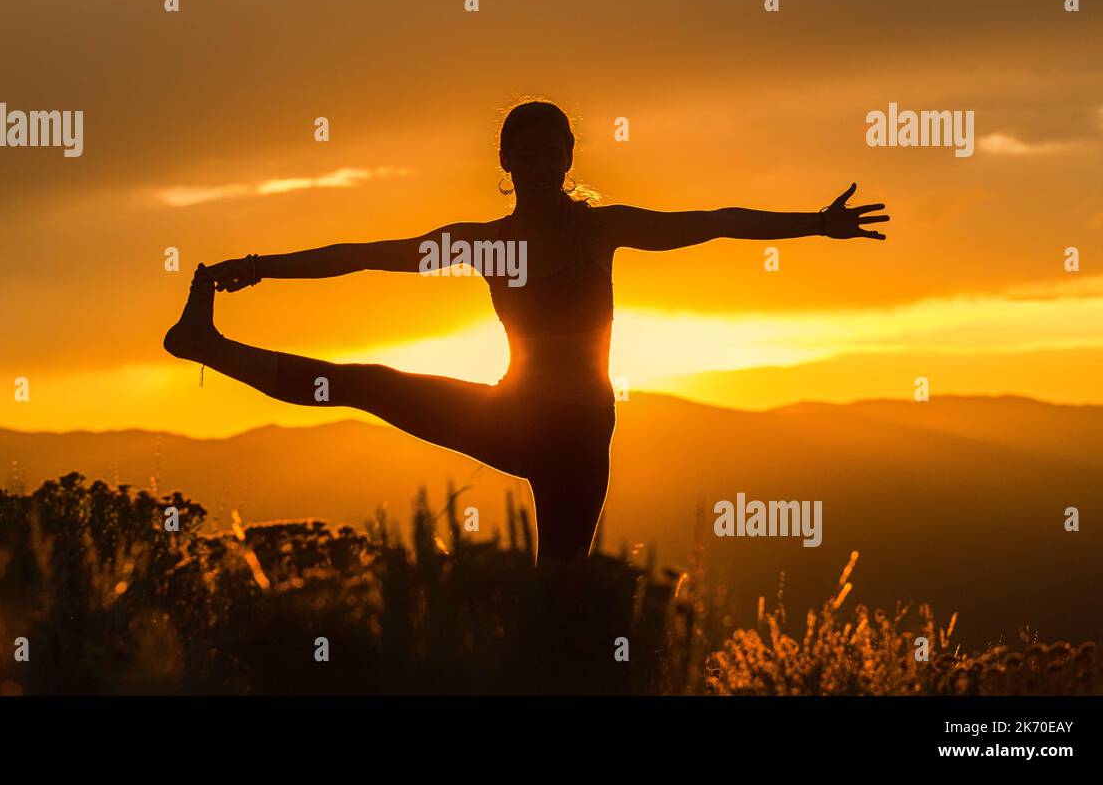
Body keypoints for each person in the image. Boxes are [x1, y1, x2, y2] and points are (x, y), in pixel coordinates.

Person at [164, 100, 890, 562]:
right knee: (367, 383)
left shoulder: (601, 228)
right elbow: (363, 257)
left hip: (580, 437)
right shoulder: (484, 242)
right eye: (527, 153)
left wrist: (817, 224)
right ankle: (208, 347)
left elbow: (714, 223)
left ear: (568, 161)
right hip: (510, 415)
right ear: (506, 162)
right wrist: (258, 266)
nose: (541, 165)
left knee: (561, 591)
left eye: (553, 153)